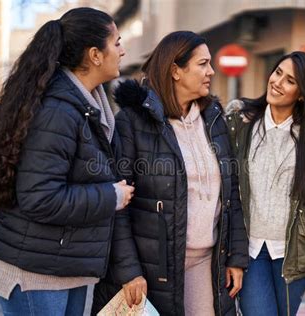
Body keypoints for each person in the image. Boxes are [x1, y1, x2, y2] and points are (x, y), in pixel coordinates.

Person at [0, 7, 134, 315]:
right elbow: (40, 197)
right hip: (34, 272)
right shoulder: (59, 111)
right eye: (117, 42)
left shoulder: (87, 104)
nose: (123, 51)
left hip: (62, 264)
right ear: (95, 54)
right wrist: (112, 195)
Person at [92, 31, 249, 315]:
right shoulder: (133, 122)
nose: (211, 71)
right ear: (176, 70)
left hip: (208, 263)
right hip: (153, 269)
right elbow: (117, 205)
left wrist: (236, 257)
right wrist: (128, 271)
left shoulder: (214, 120)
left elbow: (231, 196)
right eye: (203, 64)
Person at [225, 51, 305, 316]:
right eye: (277, 72)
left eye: (290, 80)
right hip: (250, 251)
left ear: (302, 93)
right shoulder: (242, 124)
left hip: (294, 253)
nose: (277, 82)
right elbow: (228, 190)